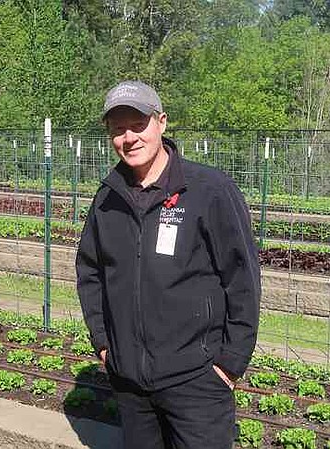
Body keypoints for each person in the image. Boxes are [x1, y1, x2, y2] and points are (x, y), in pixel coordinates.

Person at [76, 80, 261, 449]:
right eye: (117, 129)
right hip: (131, 384)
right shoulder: (107, 198)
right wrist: (104, 343)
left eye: (138, 125)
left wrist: (229, 363)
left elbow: (242, 279)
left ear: (161, 122)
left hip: (197, 382)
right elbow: (90, 272)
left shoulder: (208, 190)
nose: (128, 138)